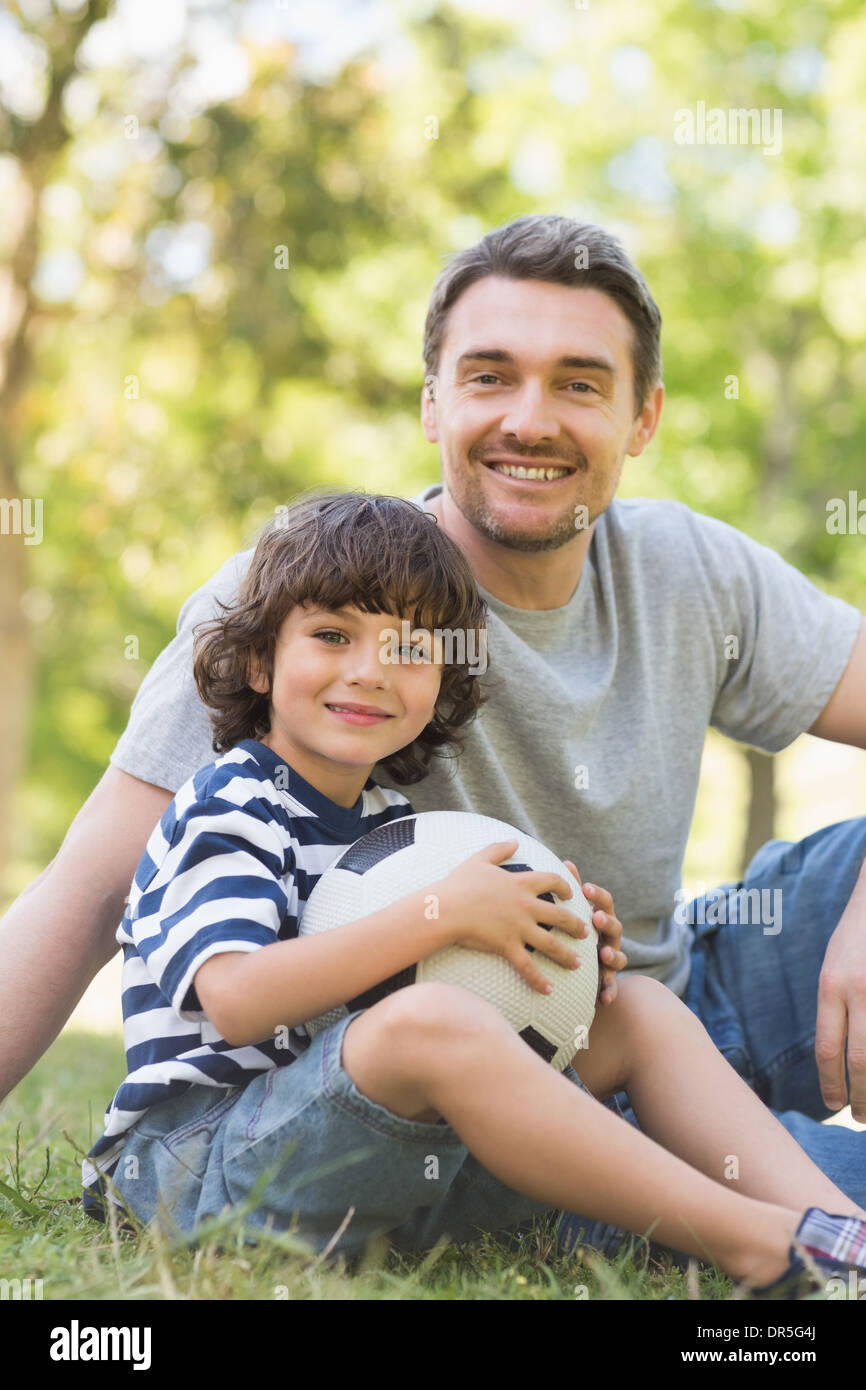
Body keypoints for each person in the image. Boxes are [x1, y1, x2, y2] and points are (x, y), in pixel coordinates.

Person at [3, 213, 865, 1263]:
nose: (530, 419)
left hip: (662, 1009)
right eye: (489, 374)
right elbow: (91, 894)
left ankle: (819, 1228)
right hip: (482, 1100)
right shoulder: (289, 610)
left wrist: (561, 933)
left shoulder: (686, 568)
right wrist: (450, 919)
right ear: (433, 402)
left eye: (579, 383)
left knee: (711, 951)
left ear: (642, 417)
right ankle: (789, 1237)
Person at [81, 490, 866, 1296]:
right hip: (196, 1170)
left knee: (633, 1008)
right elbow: (239, 1000)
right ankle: (760, 1246)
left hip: (376, 1169)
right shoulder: (231, 801)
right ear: (259, 660)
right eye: (330, 636)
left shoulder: (388, 824)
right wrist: (441, 914)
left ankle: (844, 1237)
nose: (369, 671)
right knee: (429, 1024)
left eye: (409, 649)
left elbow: (409, 995)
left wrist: (557, 952)